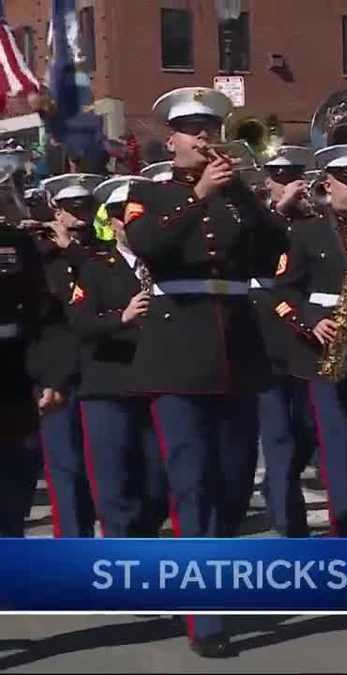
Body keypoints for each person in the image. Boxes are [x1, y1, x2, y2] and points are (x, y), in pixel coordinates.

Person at [123, 86, 288, 657]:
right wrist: (198, 195)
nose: (204, 137)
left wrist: (242, 191)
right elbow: (149, 245)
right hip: (177, 350)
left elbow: (272, 253)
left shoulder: (235, 194)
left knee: (235, 479)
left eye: (211, 128)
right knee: (192, 482)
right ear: (171, 139)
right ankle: (206, 615)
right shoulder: (147, 191)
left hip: (236, 348)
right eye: (192, 128)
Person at [276, 143, 347, 539]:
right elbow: (283, 292)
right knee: (337, 444)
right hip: (324, 355)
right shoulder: (306, 232)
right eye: (346, 181)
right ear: (328, 184)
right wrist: (312, 322)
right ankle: (346, 530)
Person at [68, 176, 168, 538]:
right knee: (114, 486)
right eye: (126, 216)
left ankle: (145, 542)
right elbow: (77, 323)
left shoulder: (165, 263)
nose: (134, 222)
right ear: (112, 223)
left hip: (157, 384)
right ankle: (121, 562)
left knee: (158, 483)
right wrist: (121, 318)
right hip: (108, 388)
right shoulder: (97, 267)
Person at [31, 172, 106, 538]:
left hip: (103, 369)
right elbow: (45, 323)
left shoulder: (99, 253)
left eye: (86, 207)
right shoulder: (39, 257)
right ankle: (73, 546)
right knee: (66, 466)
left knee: (107, 467)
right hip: (60, 373)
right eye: (71, 209)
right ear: (55, 212)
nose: (80, 217)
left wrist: (73, 251)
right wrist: (49, 378)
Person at [252, 145, 315, 538]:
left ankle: (279, 486)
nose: (286, 185)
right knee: (277, 434)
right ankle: (289, 521)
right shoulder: (256, 219)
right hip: (266, 335)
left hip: (307, 337)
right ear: (267, 182)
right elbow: (252, 254)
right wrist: (277, 211)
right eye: (278, 178)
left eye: (293, 177)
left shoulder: (313, 221)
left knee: (306, 432)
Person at [0, 197, 49, 537]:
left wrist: (50, 375)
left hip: (14, 370)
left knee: (17, 470)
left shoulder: (15, 244)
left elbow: (41, 308)